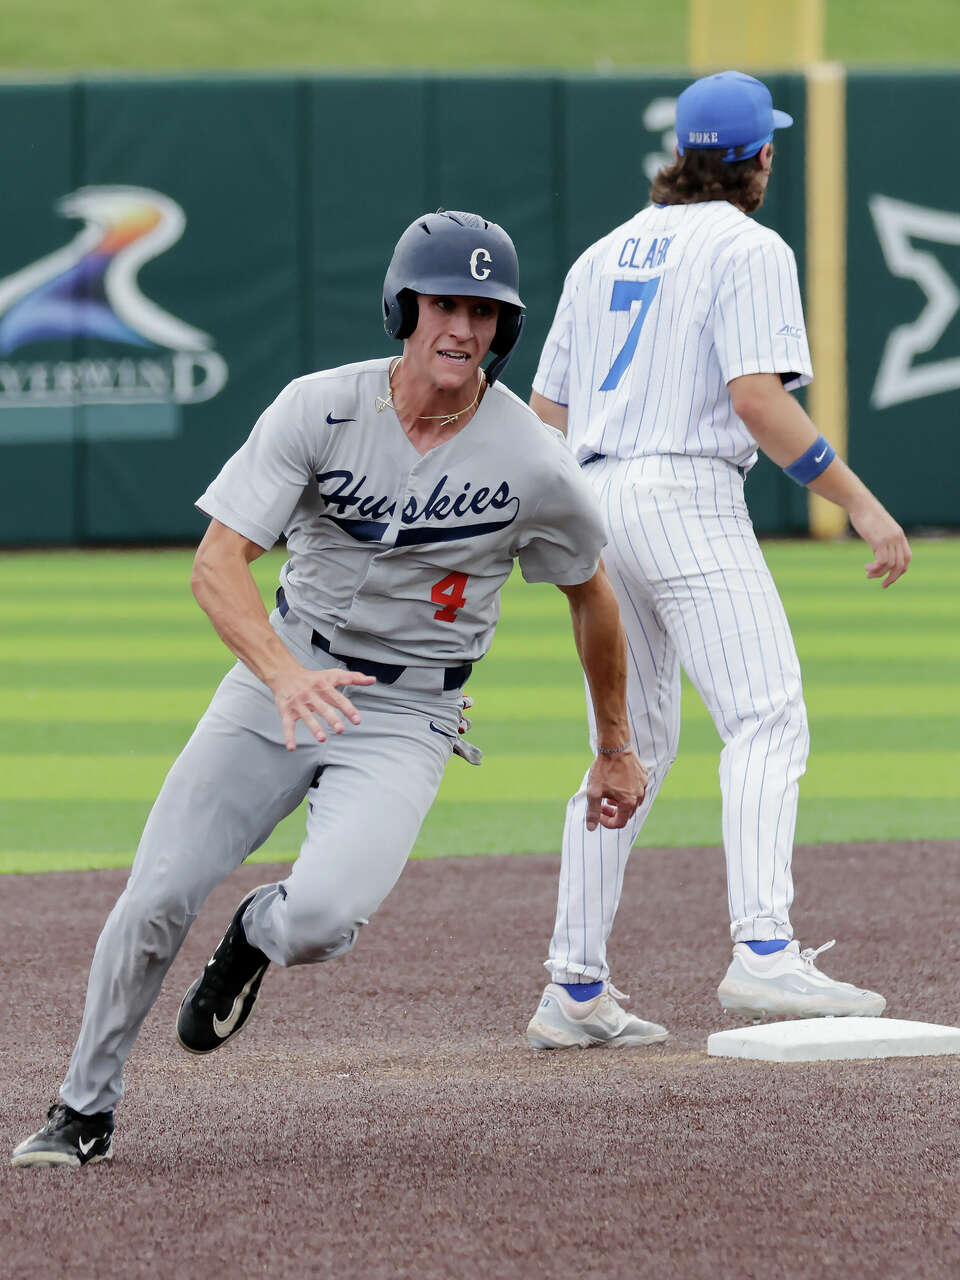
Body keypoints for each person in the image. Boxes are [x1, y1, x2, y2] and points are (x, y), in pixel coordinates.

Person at [12, 209, 658, 1168]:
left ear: (505, 327)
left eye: (485, 311)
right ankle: (83, 1108)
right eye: (445, 304)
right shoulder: (319, 409)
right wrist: (282, 675)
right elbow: (217, 564)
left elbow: (591, 594)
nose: (463, 328)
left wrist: (615, 747)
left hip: (410, 711)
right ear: (403, 307)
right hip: (279, 674)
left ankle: (255, 933)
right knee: (156, 897)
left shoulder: (531, 458)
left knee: (319, 923)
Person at [524, 72, 912, 1052]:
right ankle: (764, 947)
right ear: (762, 157)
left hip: (593, 498)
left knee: (629, 748)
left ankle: (574, 986)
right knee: (766, 715)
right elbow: (756, 400)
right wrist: (860, 502)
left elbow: (545, 417)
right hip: (686, 492)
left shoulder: (600, 253)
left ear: (680, 152)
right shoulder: (750, 246)